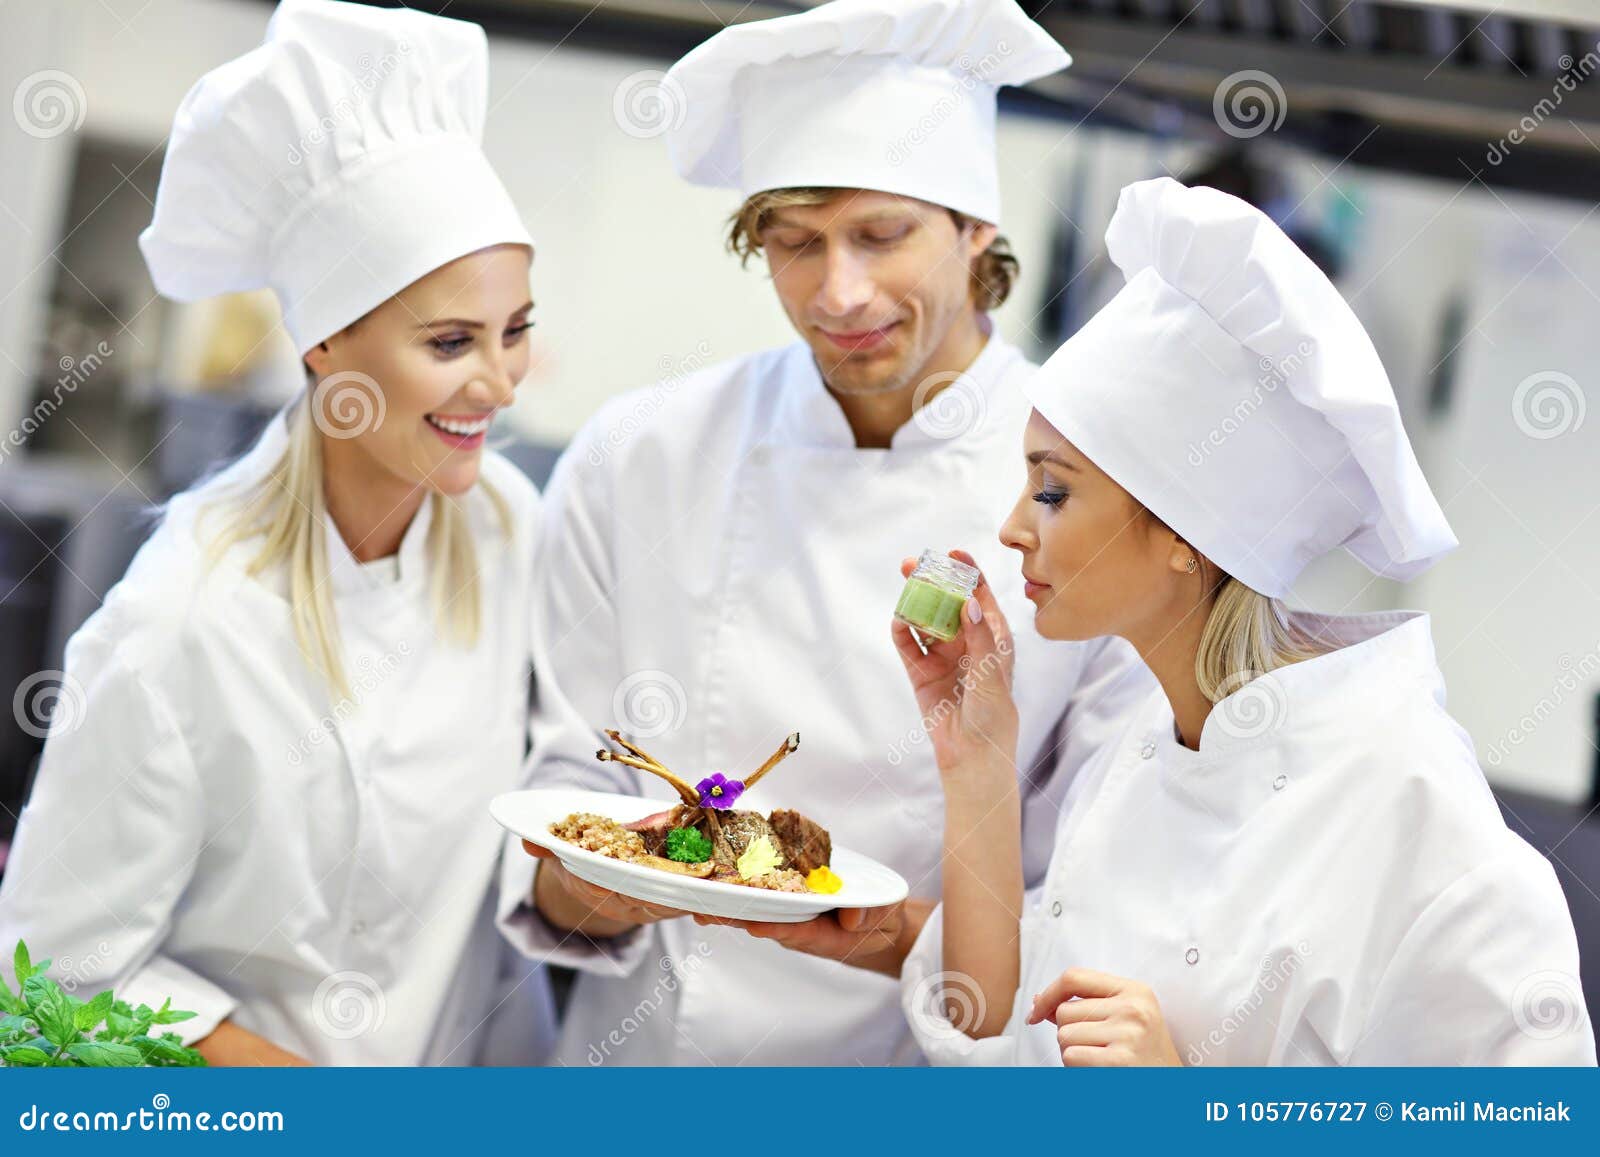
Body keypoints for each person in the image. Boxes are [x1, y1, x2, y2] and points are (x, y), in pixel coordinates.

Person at [711, 176, 1596, 1065]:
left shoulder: (1418, 821)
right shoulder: (1147, 750)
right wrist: (975, 758)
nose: (1014, 526)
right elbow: (1014, 1026)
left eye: (1053, 490)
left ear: (1186, 535)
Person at [502, 0, 1153, 1066]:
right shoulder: (642, 456)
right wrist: (585, 879)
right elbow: (567, 793)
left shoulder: (1095, 492)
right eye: (794, 243)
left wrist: (898, 937)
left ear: (976, 226)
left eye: (881, 235)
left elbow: (1101, 898)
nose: (838, 292)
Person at [0, 0, 554, 1066]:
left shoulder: (502, 527)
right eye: (450, 341)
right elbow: (54, 980)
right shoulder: (181, 618)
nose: (497, 381)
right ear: (327, 346)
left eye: (516, 330)